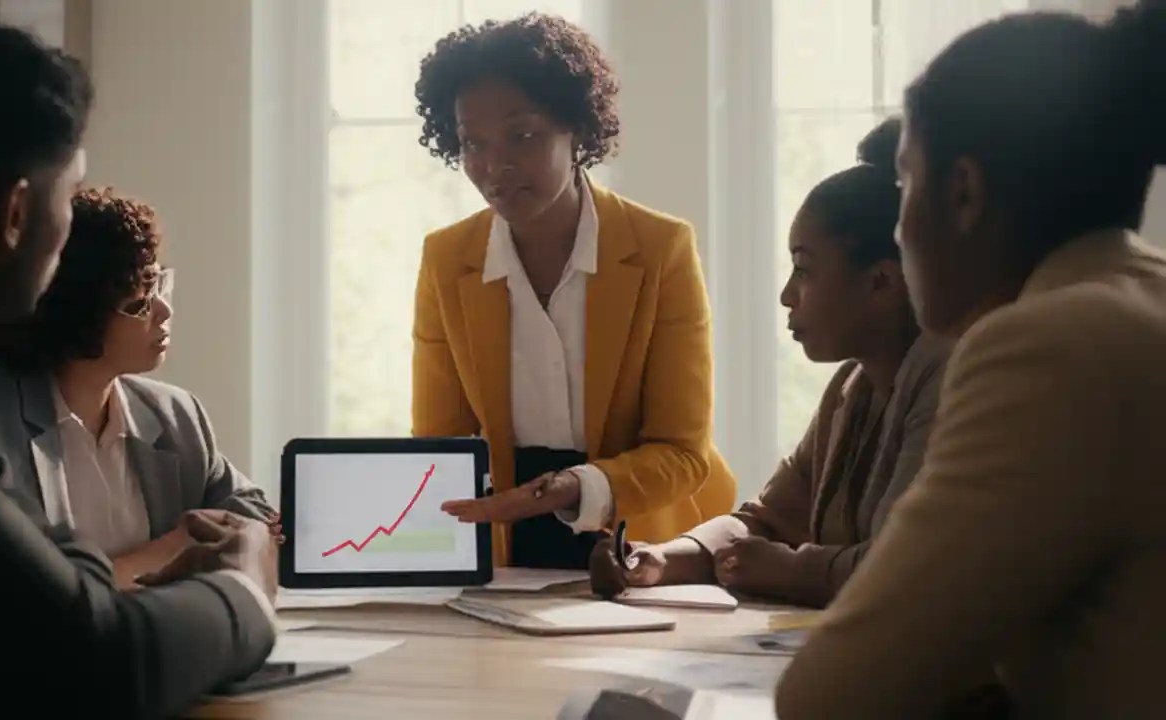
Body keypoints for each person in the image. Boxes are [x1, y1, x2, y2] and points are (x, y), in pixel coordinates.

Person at [777, 3, 1166, 718]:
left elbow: (832, 693)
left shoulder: (1048, 347)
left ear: (961, 194)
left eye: (904, 185)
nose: (898, 230)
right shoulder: (1140, 298)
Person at [0, 12, 277, 717]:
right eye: (68, 196)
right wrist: (244, 593)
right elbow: (97, 660)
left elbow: (51, 570)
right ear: (13, 214)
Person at [410, 13, 737, 569]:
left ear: (577, 128)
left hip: (641, 543)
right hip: (506, 546)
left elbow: (683, 453)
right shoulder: (447, 259)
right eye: (473, 142)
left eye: (522, 135)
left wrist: (570, 486)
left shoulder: (661, 249)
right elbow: (439, 447)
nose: (495, 166)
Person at [591, 119, 949, 608]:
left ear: (881, 282)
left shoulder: (949, 377)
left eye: (804, 269)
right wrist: (661, 561)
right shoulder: (851, 387)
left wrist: (786, 568)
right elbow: (762, 521)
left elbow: (899, 569)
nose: (786, 295)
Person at [0, 187, 276, 589]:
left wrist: (173, 545)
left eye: (158, 284)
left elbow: (254, 513)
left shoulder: (175, 414)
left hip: (154, 641)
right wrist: (174, 547)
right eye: (139, 302)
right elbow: (13, 585)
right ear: (80, 315)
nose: (164, 311)